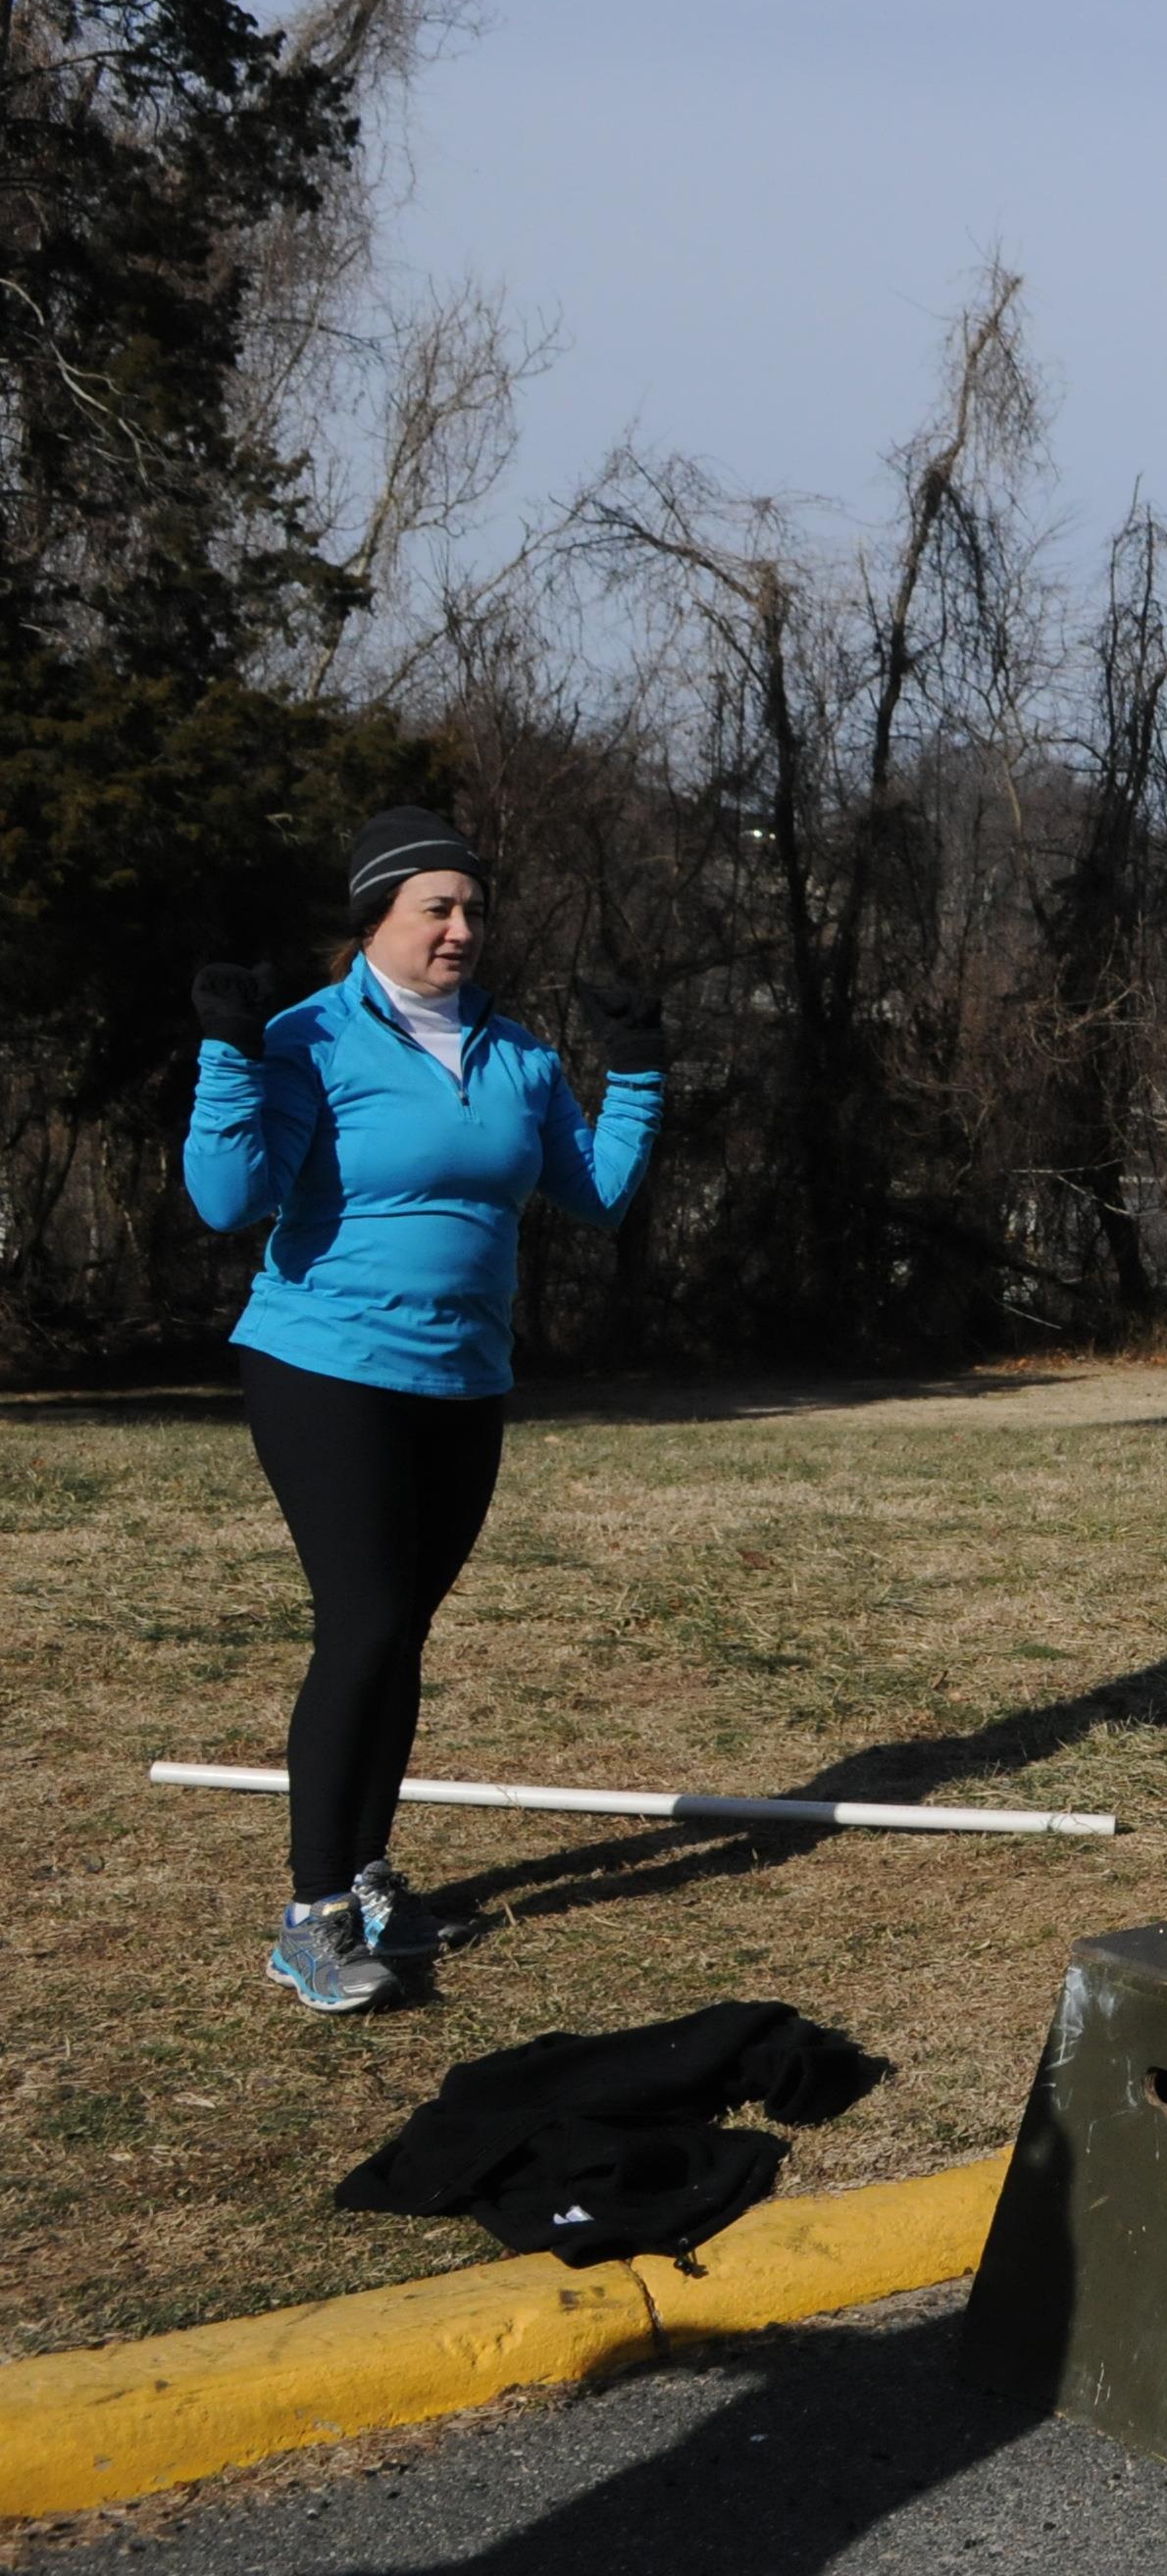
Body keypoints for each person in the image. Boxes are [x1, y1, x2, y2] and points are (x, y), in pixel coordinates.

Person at [182, 808, 667, 2014]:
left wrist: (643, 1070)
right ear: (375, 920)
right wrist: (230, 1054)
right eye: (435, 907)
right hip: (325, 1365)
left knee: (401, 1634)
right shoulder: (309, 1036)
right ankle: (310, 1916)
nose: (462, 928)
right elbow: (226, 1197)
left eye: (474, 908)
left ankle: (367, 1870)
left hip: (465, 1379)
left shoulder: (520, 1055)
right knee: (364, 1618)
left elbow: (599, 1194)